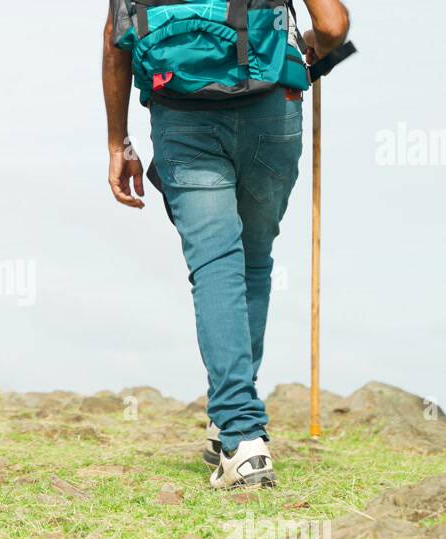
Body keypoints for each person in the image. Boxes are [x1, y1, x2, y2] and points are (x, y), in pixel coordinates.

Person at [102, 0, 349, 489]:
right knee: (254, 263)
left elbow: (115, 38)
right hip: (270, 113)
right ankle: (236, 424)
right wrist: (318, 53)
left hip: (181, 115)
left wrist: (118, 142)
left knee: (216, 264)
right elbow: (332, 25)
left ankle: (238, 432)